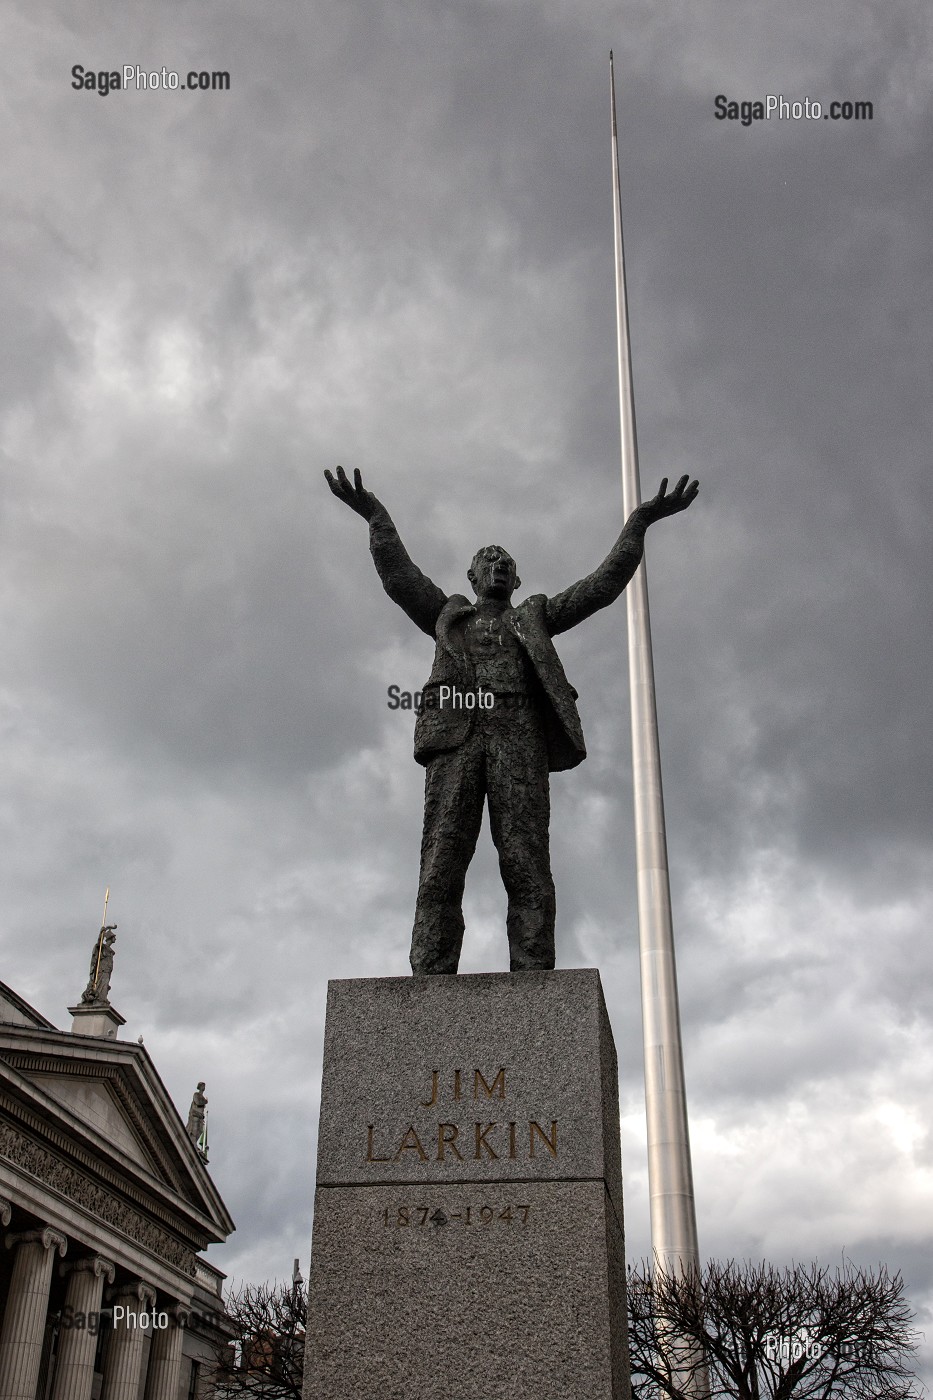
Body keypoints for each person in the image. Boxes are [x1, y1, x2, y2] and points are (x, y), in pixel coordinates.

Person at [326, 464, 698, 975]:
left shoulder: (533, 618)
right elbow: (398, 576)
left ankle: (533, 976)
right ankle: (430, 975)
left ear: (517, 580)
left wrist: (639, 524)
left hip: (518, 740)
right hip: (457, 739)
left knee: (525, 865)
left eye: (506, 563)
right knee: (440, 865)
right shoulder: (447, 616)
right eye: (487, 561)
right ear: (472, 577)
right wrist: (375, 516)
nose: (497, 566)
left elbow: (601, 586)